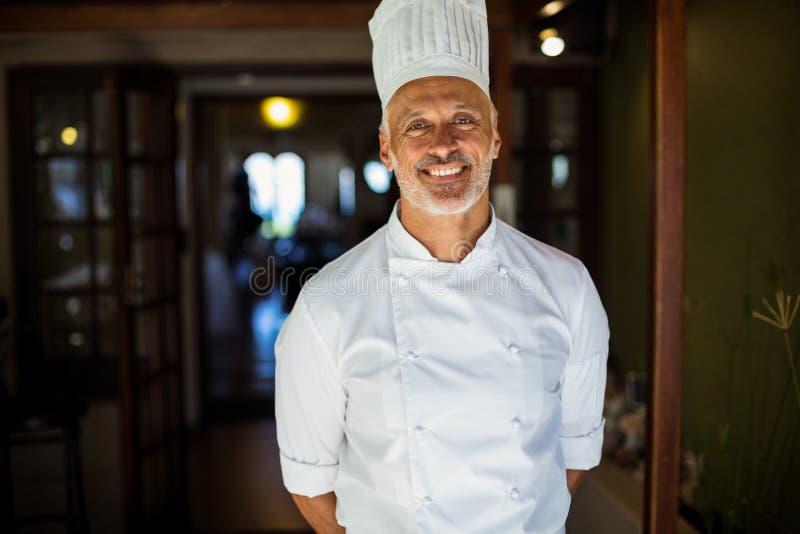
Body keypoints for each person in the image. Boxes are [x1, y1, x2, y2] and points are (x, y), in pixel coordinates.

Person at [274, 0, 609, 532]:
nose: (443, 145)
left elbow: (575, 454)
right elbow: (310, 486)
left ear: (496, 136)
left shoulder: (567, 286)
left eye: (463, 118)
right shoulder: (325, 307)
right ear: (386, 149)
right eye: (416, 126)